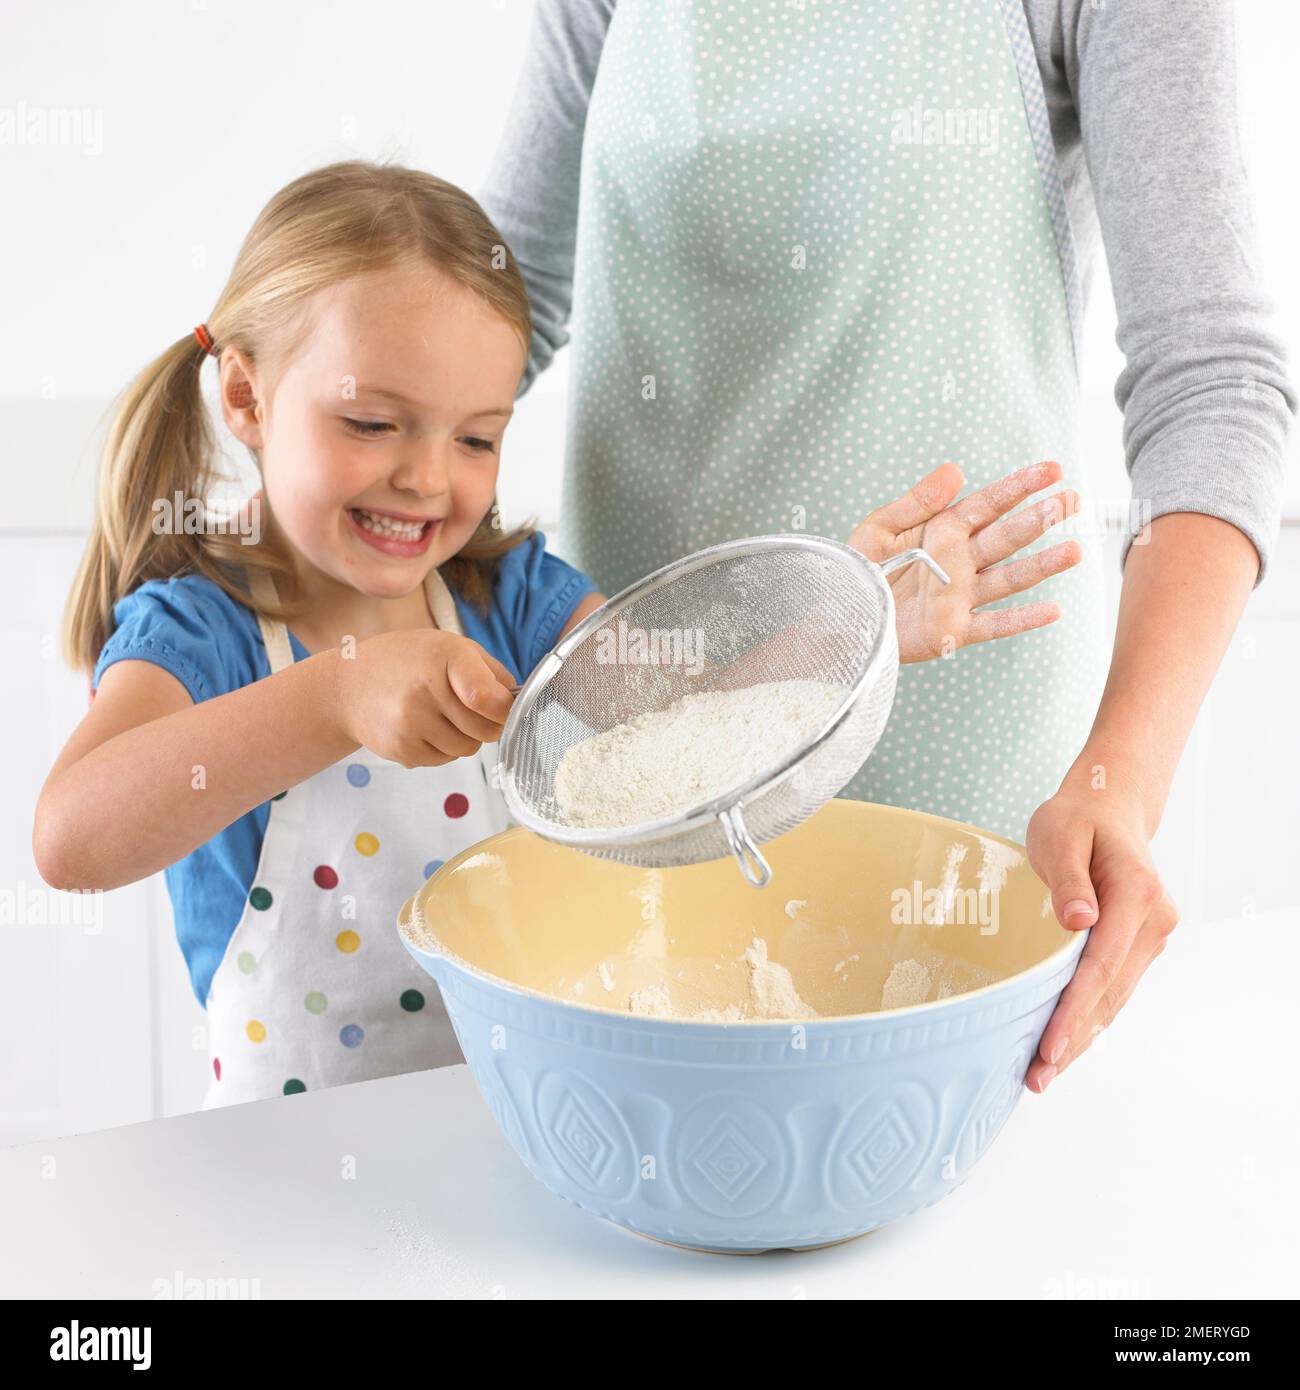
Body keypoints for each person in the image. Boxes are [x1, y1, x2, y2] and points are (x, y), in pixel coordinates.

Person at [34, 160, 1072, 1108]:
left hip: (522, 1131)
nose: (428, 476)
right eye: (370, 423)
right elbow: (71, 838)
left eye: (476, 437)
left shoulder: (512, 599)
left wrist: (859, 623)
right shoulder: (200, 628)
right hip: (283, 1178)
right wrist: (334, 693)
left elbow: (697, 725)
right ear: (249, 397)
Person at [477, 0, 1296, 1092]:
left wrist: (1121, 781)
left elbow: (1213, 383)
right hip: (638, 761)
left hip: (968, 796)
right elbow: (497, 294)